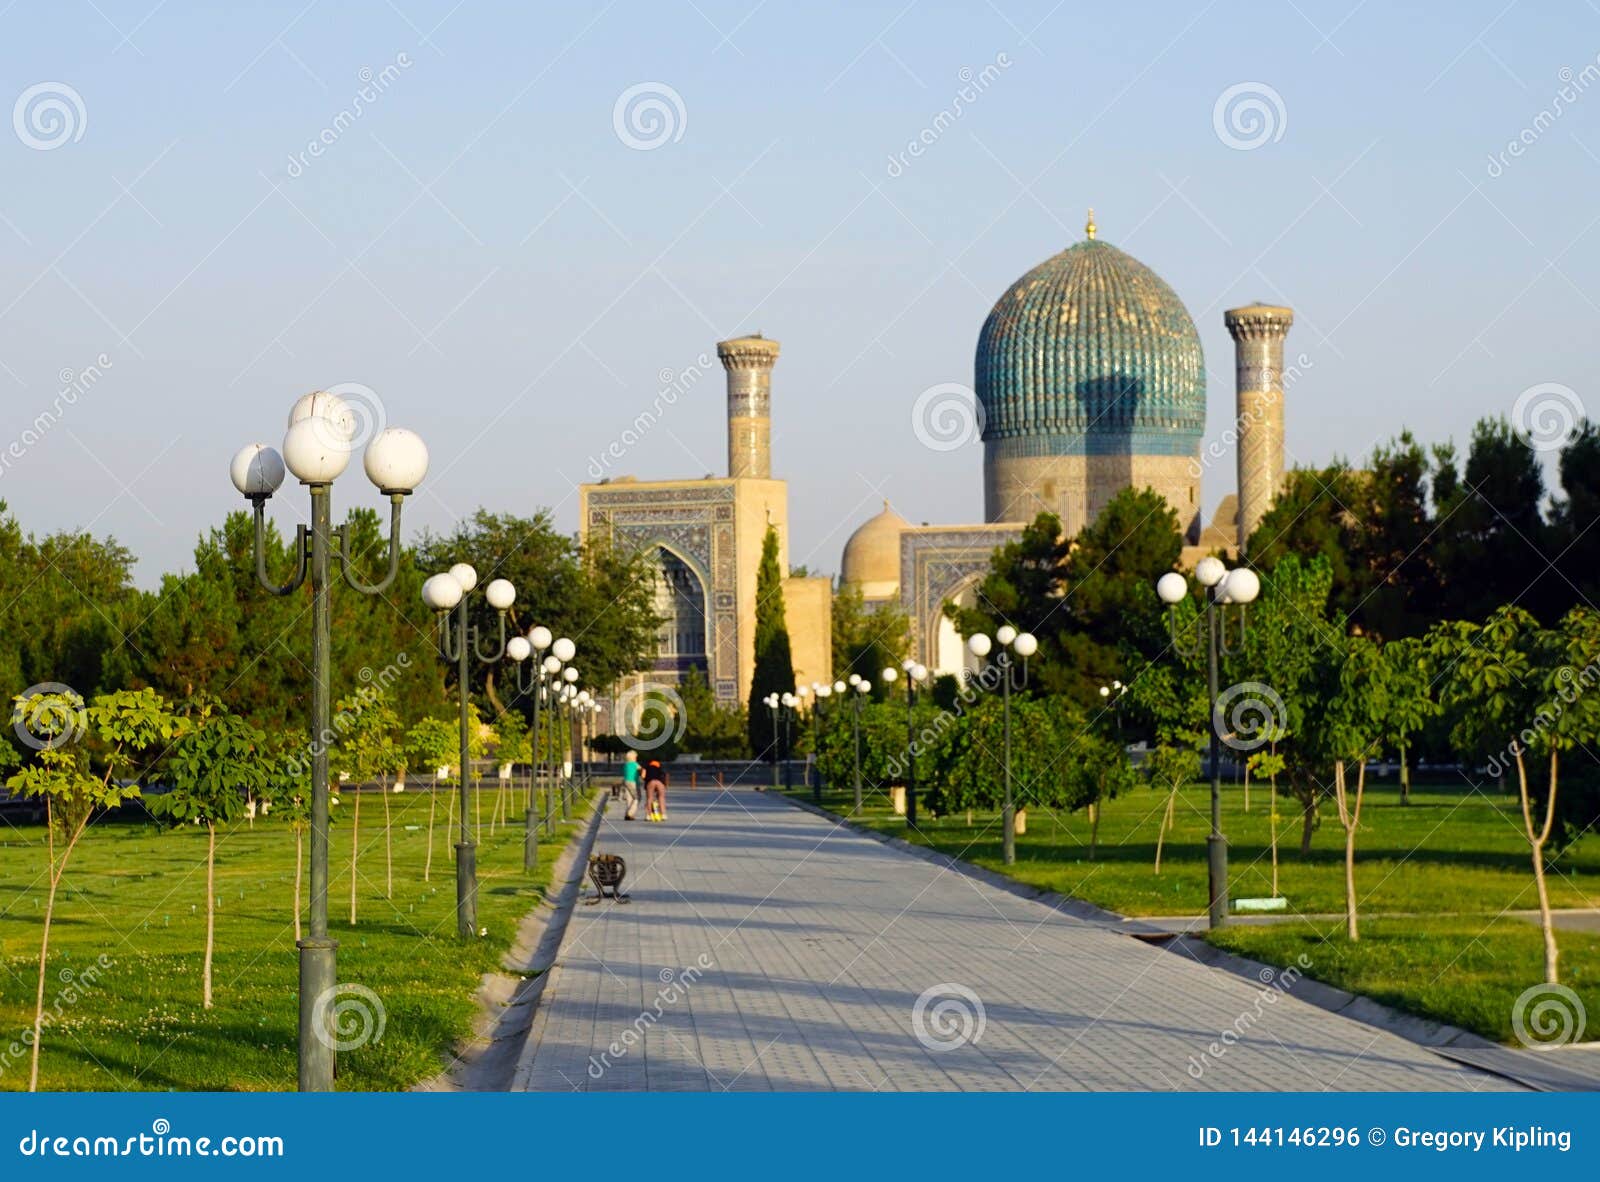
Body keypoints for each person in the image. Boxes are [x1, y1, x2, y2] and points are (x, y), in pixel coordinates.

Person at [620, 751, 641, 820]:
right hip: (633, 782)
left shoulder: (626, 764)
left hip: (626, 782)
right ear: (634, 757)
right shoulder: (635, 764)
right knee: (636, 798)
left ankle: (628, 815)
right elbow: (641, 770)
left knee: (629, 798)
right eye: (636, 757)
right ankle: (630, 813)